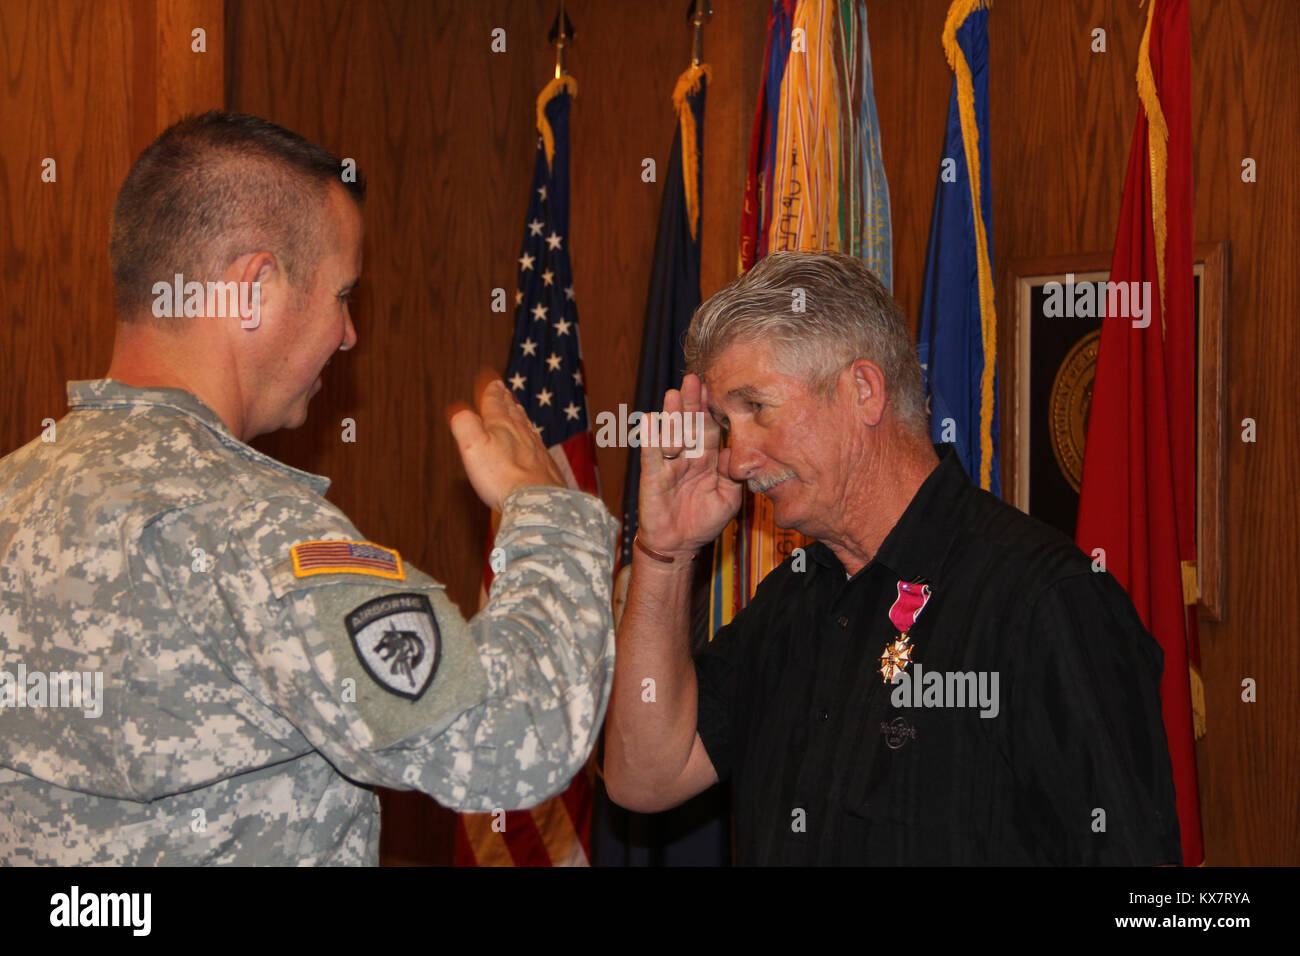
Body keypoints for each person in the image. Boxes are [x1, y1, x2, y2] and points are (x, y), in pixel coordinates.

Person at [0, 112, 618, 865]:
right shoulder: (257, 533)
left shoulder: (13, 492)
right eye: (343, 295)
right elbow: (519, 735)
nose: (349, 334)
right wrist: (547, 511)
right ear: (254, 289)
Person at [604, 251, 1182, 865]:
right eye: (725, 422)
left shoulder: (1044, 601)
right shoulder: (796, 597)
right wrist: (665, 553)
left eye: (757, 409)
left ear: (863, 390)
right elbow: (646, 777)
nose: (736, 461)